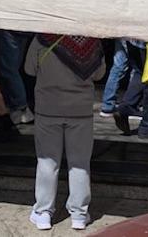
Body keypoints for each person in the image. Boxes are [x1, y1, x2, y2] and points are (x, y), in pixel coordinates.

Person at [25, 34, 105, 231]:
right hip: (80, 111)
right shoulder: (92, 42)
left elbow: (29, 69)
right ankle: (79, 214)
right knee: (79, 163)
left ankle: (43, 213)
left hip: (48, 108)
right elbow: (99, 74)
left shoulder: (41, 40)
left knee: (47, 162)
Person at [99, 38, 130, 117]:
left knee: (118, 67)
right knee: (138, 69)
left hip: (121, 32)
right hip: (137, 33)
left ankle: (107, 105)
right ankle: (131, 104)